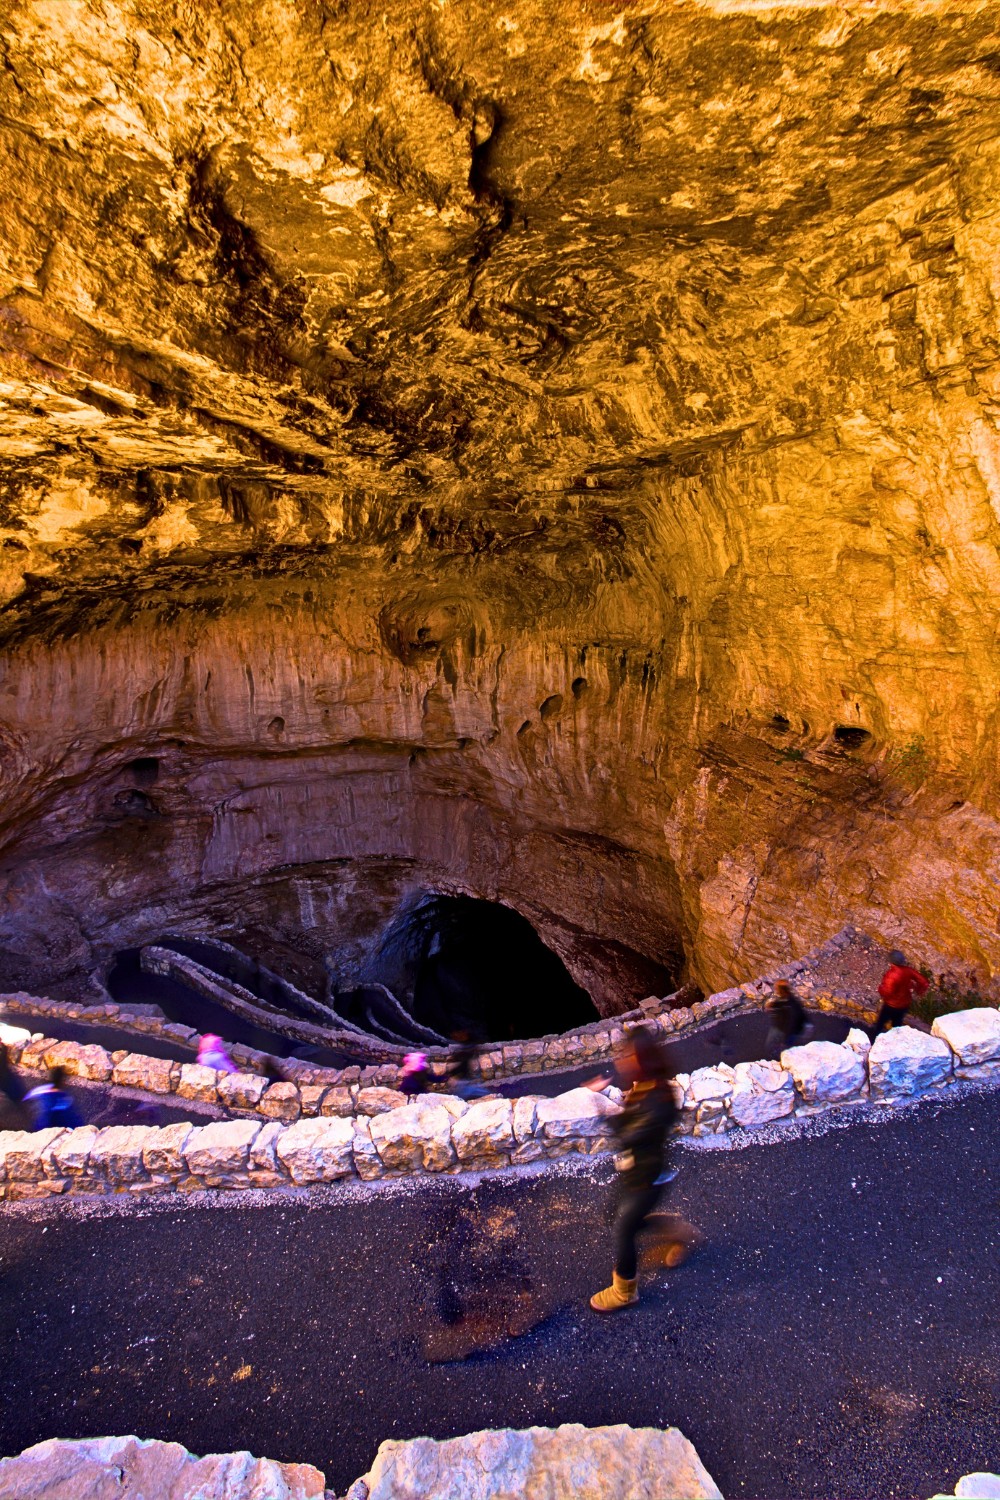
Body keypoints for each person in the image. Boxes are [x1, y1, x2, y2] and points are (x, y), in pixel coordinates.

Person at [590, 1026, 679, 1314]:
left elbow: (628, 1134)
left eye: (628, 1055)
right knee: (614, 1217)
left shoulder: (657, 1101)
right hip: (636, 1171)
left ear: (644, 1059)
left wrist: (597, 1102)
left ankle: (624, 1291)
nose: (622, 1060)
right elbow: (628, 1128)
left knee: (623, 1228)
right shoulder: (645, 1087)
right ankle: (677, 1230)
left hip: (647, 1178)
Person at [870, 950, 928, 1036]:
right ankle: (895, 1041)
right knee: (897, 1025)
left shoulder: (891, 975)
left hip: (891, 1005)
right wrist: (918, 990)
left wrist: (880, 989)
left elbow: (887, 992)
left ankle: (873, 1040)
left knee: (880, 1023)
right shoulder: (908, 971)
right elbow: (924, 982)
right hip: (905, 1004)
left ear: (891, 961)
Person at [25, 1066, 84, 1131]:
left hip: (39, 1132)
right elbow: (75, 1122)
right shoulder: (64, 1100)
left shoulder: (38, 1093)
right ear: (63, 1081)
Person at [764, 979, 809, 1058]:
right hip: (783, 1027)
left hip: (784, 1029)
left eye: (777, 988)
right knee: (776, 1045)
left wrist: (786, 1037)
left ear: (781, 990)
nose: (776, 990)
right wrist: (773, 1005)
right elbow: (783, 1003)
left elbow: (792, 1021)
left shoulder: (791, 1004)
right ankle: (779, 1055)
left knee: (778, 1046)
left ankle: (779, 1059)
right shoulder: (788, 999)